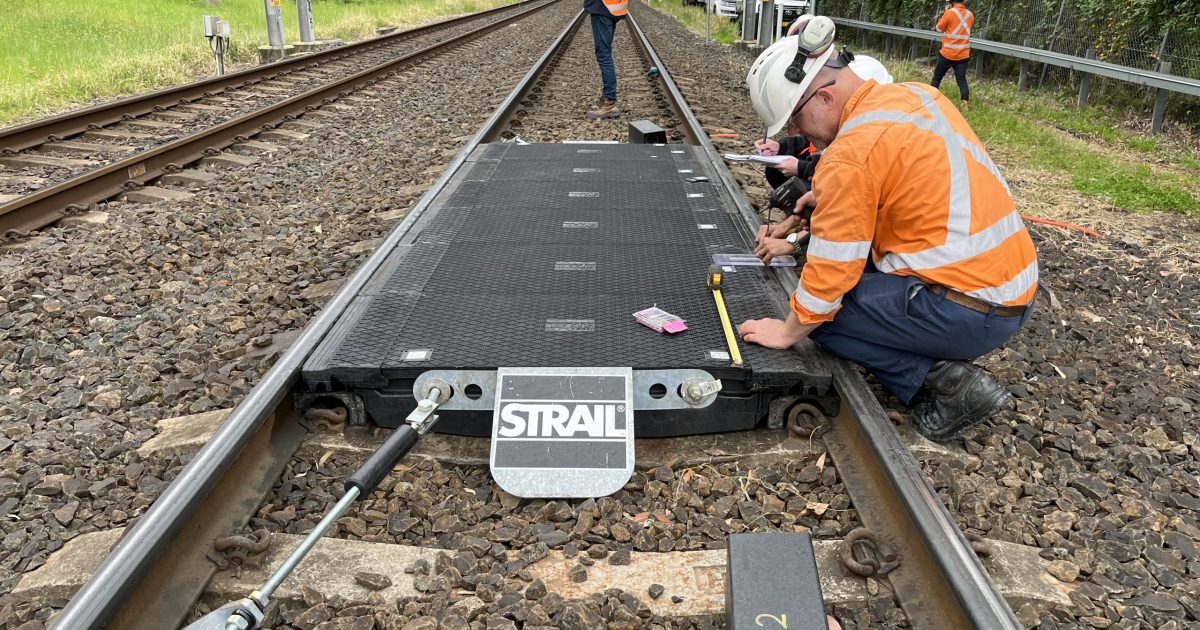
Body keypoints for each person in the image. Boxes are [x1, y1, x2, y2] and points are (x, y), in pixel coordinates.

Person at [739, 16, 1038, 440]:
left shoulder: (850, 156)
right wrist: (826, 205)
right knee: (840, 290)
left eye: (793, 120)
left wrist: (788, 330)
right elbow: (907, 190)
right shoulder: (918, 96)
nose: (794, 132)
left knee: (822, 317)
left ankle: (949, 383)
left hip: (967, 310)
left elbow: (828, 281)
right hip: (1011, 293)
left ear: (824, 97)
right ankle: (942, 362)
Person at [752, 54, 894, 264]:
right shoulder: (862, 130)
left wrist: (793, 243)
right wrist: (785, 227)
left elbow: (844, 232)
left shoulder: (862, 145)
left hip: (910, 274)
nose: (795, 129)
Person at [584, 0, 628, 119]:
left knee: (604, 55)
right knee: (605, 53)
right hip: (612, 8)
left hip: (602, 8)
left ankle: (609, 102)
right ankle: (608, 98)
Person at [932, 0, 973, 110]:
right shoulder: (970, 15)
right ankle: (965, 103)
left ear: (951, 1)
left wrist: (945, 12)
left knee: (937, 77)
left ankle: (930, 100)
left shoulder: (949, 13)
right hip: (963, 55)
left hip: (948, 54)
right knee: (961, 80)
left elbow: (939, 28)